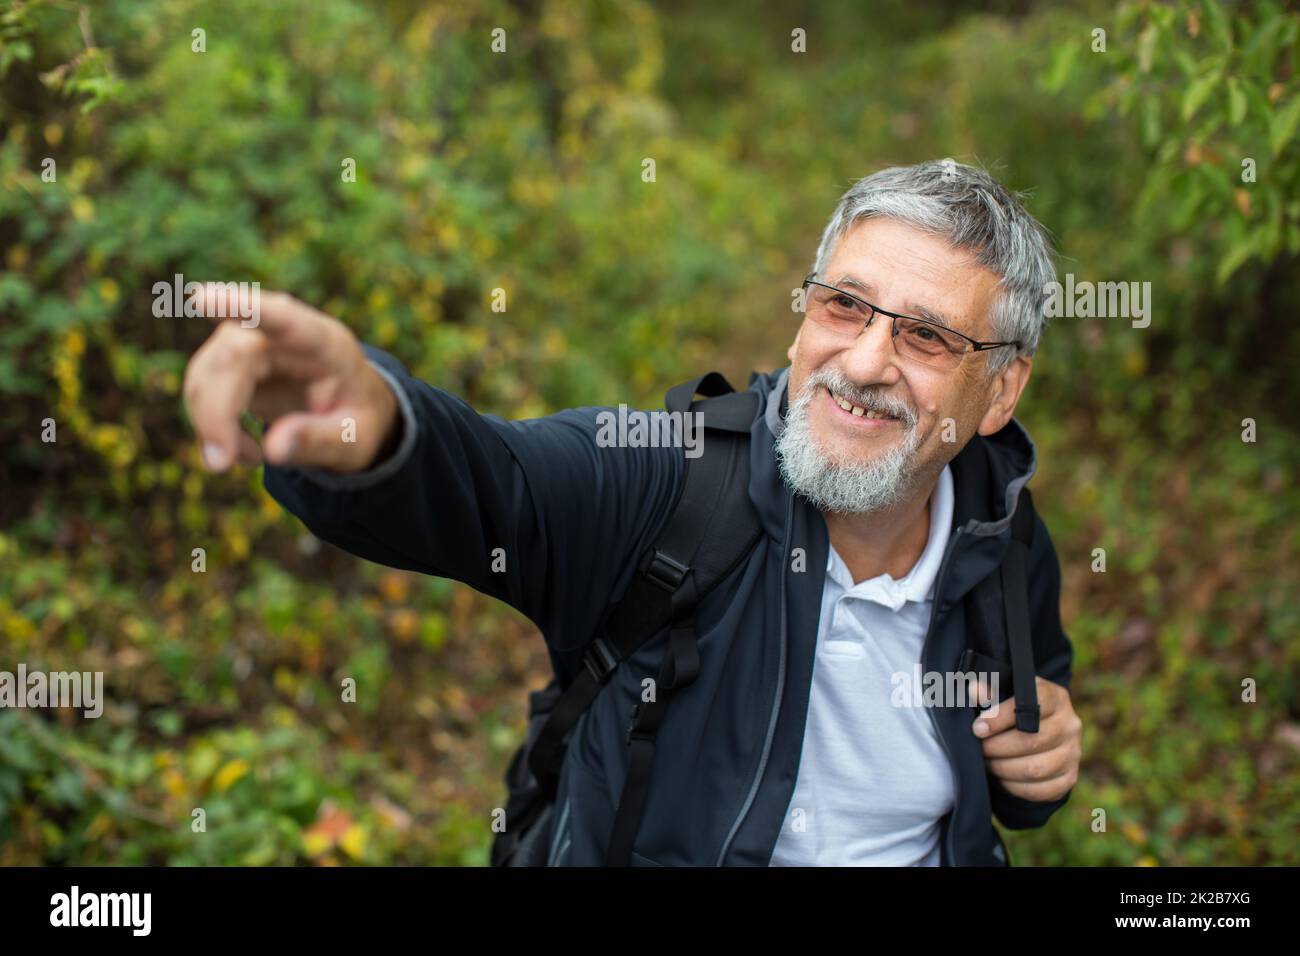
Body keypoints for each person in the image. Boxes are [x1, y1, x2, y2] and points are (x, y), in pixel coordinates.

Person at [182, 159, 1083, 866]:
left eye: (926, 334)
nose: (866, 361)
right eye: (845, 306)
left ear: (1000, 391)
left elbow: (1013, 751)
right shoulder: (671, 485)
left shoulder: (1001, 537)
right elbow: (495, 483)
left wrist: (1036, 772)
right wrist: (373, 418)